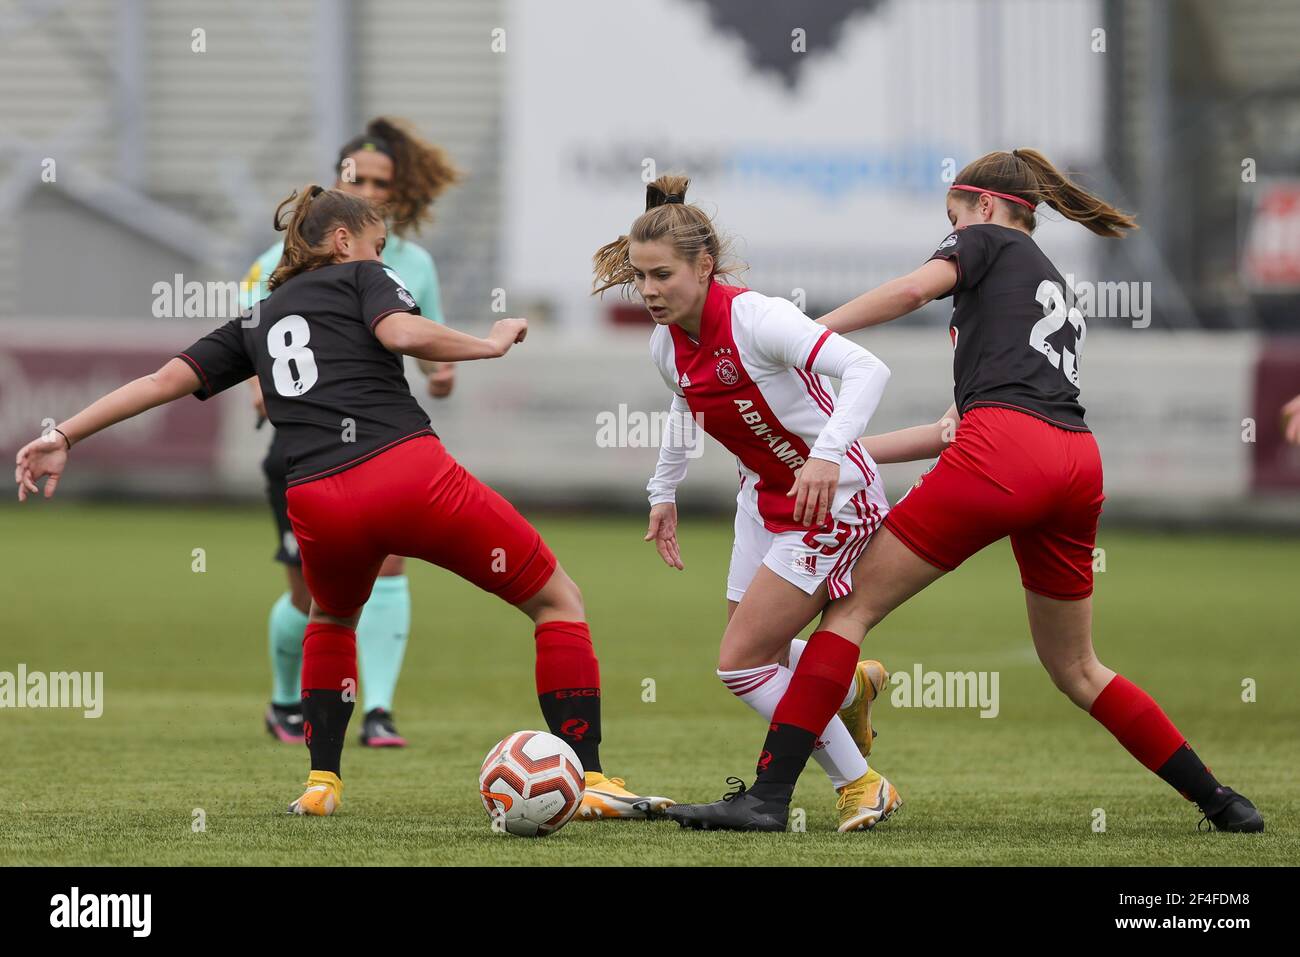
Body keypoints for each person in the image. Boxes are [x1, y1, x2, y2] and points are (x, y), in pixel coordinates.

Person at [15, 185, 671, 821]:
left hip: (318, 499)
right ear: (341, 239)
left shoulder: (256, 318)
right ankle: (590, 779)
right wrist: (488, 342)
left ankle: (322, 780)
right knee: (557, 599)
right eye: (377, 243)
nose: (383, 256)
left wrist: (62, 432)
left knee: (330, 617)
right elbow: (402, 333)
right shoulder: (363, 278)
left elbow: (162, 381)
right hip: (406, 473)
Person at [664, 148, 1263, 833]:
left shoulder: (986, 237)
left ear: (982, 206)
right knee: (1077, 667)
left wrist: (809, 334)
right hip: (1075, 460)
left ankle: (769, 796)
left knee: (850, 612)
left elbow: (915, 289)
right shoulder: (1051, 282)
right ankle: (1221, 800)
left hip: (1004, 449)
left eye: (951, 216)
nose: (949, 231)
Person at [594, 175, 899, 831]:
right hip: (764, 501)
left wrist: (828, 454)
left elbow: (867, 370)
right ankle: (847, 688)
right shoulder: (664, 341)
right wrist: (662, 491)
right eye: (639, 277)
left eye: (662, 275)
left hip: (834, 498)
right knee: (765, 647)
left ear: (704, 266)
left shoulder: (759, 318)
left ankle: (862, 783)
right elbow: (684, 405)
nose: (648, 291)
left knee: (740, 663)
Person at [243, 117, 459, 748]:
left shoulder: (410, 264)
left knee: (390, 570)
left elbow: (426, 342)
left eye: (380, 180)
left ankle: (379, 712)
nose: (368, 187)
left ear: (398, 191)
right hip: (304, 451)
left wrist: (442, 372)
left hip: (379, 446)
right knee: (312, 595)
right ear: (335, 185)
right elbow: (250, 347)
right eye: (355, 177)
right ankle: (285, 702)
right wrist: (261, 385)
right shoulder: (273, 266)